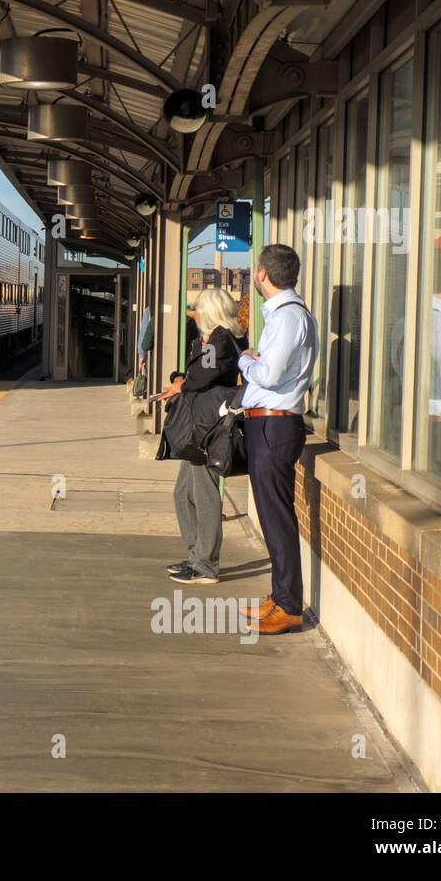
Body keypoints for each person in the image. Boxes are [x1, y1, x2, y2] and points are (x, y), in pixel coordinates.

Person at [237, 245, 318, 634]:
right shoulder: (284, 315)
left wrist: (244, 360)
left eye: (255, 270)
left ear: (262, 275)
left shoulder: (287, 317)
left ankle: (288, 606)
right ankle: (280, 596)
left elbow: (268, 375)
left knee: (277, 517)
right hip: (269, 424)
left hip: (275, 425)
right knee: (272, 516)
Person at [157, 289, 248, 586]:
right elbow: (192, 374)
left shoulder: (221, 339)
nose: (193, 313)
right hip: (200, 427)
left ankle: (206, 565)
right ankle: (196, 555)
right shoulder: (210, 339)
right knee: (184, 493)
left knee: (204, 496)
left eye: (197, 309)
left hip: (208, 430)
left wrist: (181, 384)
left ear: (210, 311)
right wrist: (179, 379)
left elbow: (201, 377)